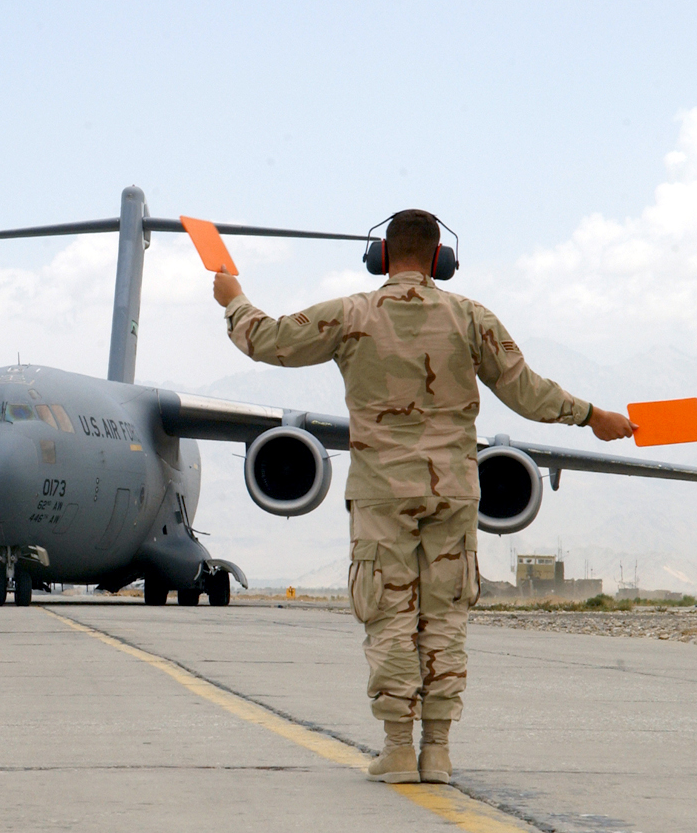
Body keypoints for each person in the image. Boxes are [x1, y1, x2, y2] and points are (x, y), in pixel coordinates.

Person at [213, 209, 635, 784]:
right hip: (454, 493)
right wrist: (593, 417)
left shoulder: (351, 314)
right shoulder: (470, 318)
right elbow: (528, 392)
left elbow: (266, 340)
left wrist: (233, 297)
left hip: (382, 495)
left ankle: (395, 748)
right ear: (441, 259)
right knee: (444, 619)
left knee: (388, 616)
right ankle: (436, 751)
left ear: (381, 255)